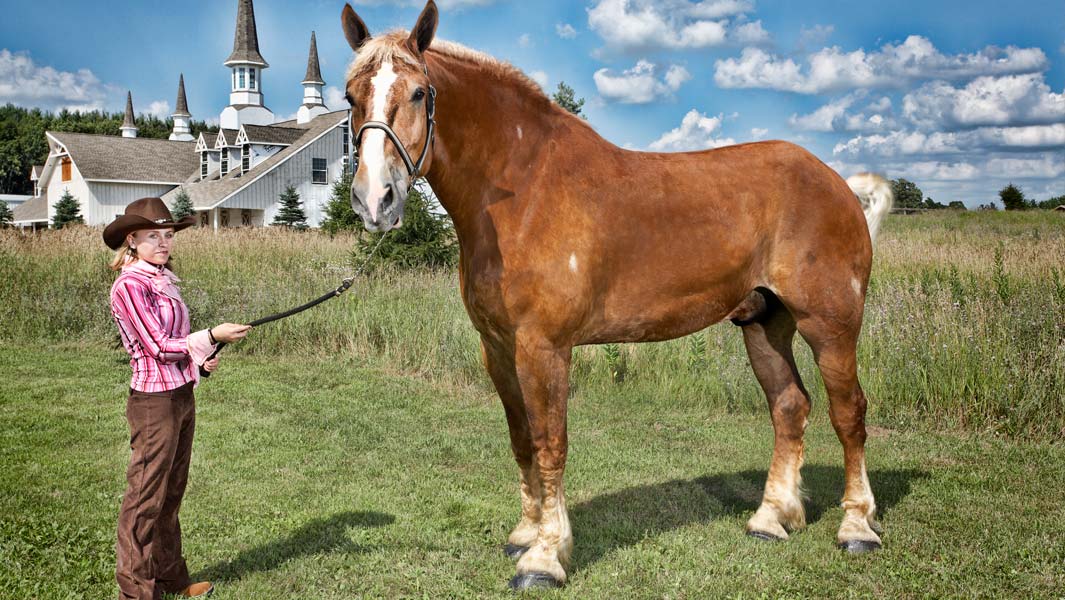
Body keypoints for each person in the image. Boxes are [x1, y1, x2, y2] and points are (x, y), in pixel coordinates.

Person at [103, 197, 251, 599]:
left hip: (180, 395)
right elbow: (157, 346)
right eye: (153, 236)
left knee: (171, 493)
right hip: (154, 404)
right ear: (132, 240)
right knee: (144, 499)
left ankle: (171, 580)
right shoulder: (130, 286)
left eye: (168, 235)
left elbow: (177, 349)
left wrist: (200, 365)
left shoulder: (163, 279)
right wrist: (210, 336)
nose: (163, 243)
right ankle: (135, 592)